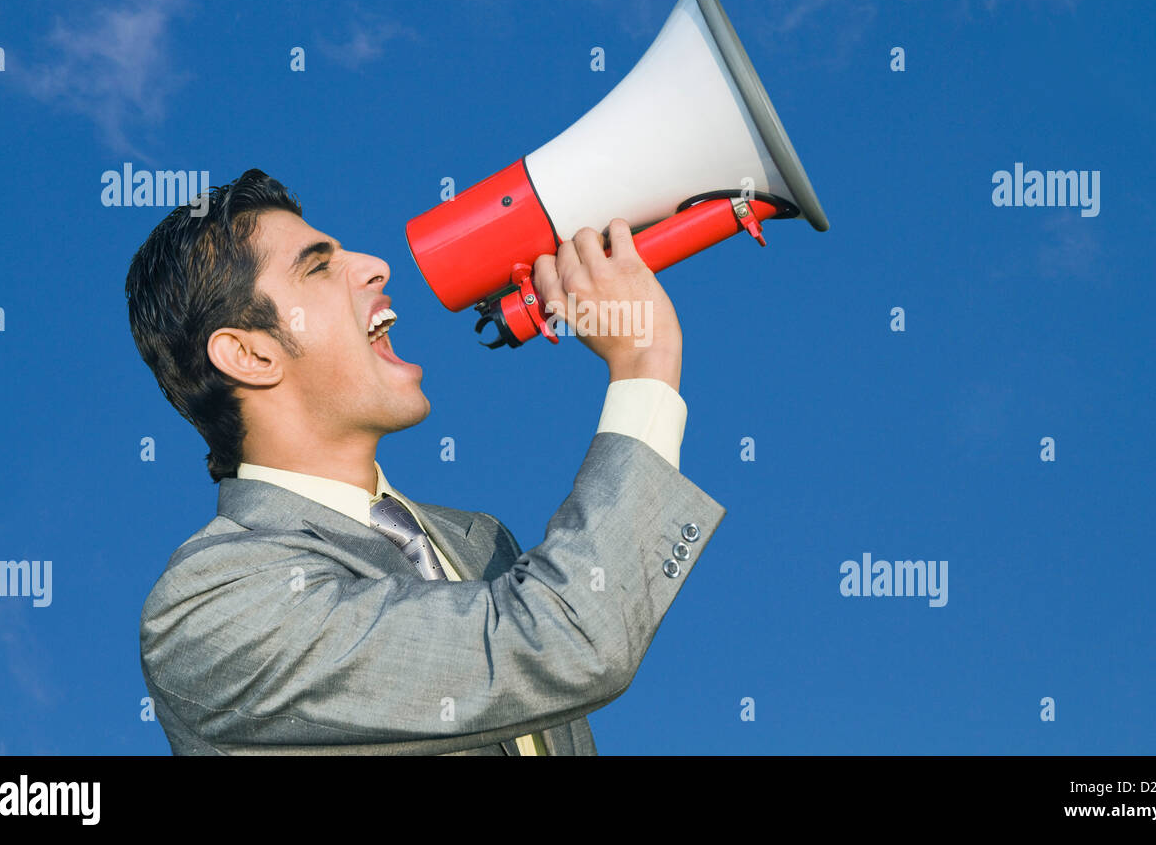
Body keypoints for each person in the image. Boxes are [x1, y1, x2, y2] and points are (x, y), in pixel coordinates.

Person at [126, 168, 726, 755]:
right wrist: (645, 361)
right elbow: (563, 640)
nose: (374, 265)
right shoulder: (211, 608)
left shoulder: (482, 543)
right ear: (250, 355)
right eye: (317, 266)